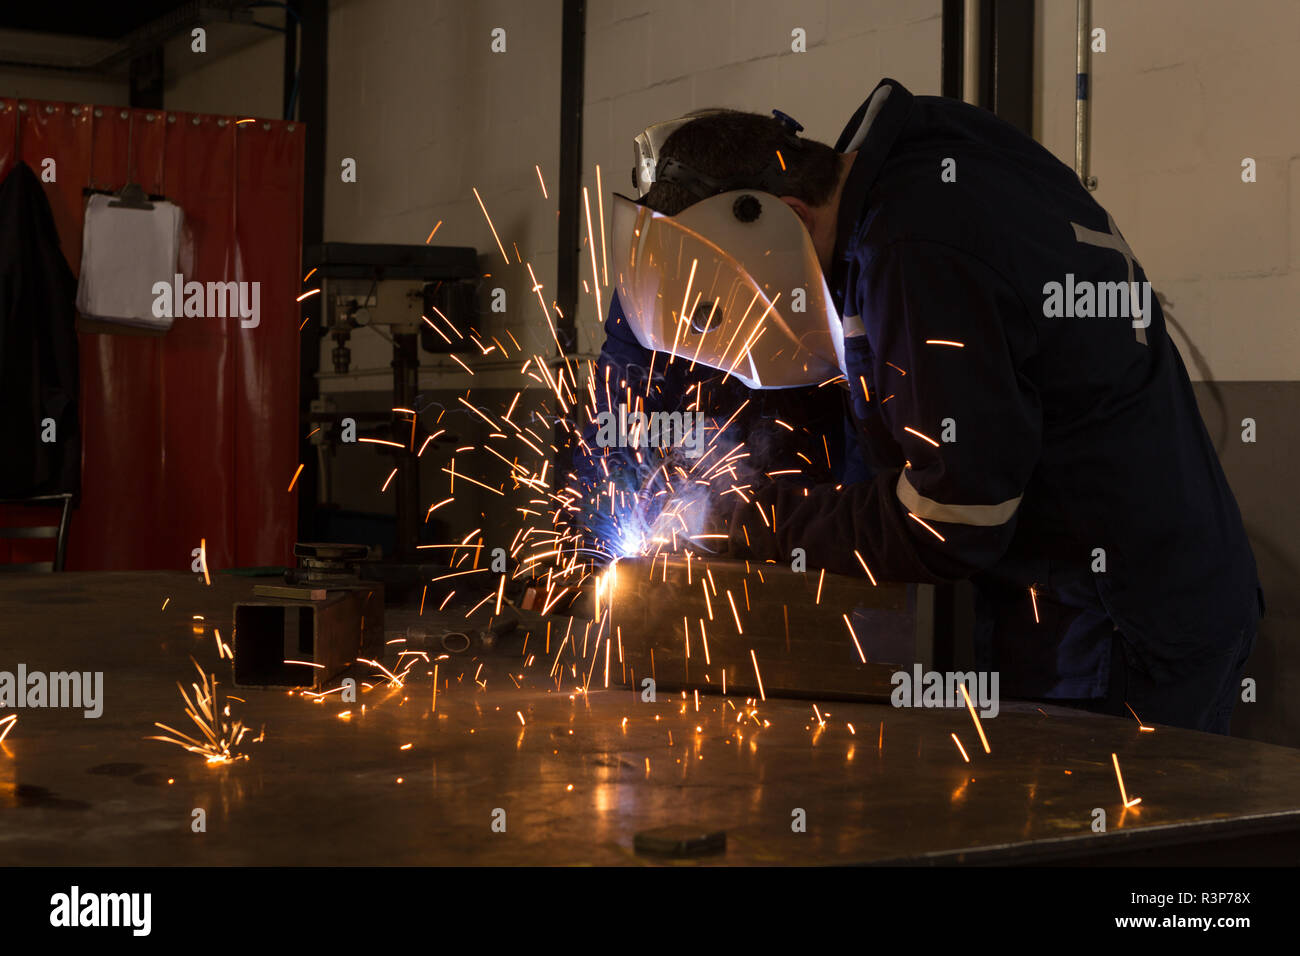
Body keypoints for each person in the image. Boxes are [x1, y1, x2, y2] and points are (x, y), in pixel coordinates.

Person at [586, 78, 1262, 735]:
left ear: (783, 217)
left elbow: (952, 517)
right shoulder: (923, 180)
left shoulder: (913, 249)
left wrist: (750, 520)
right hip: (1111, 592)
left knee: (1098, 839)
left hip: (1120, 622)